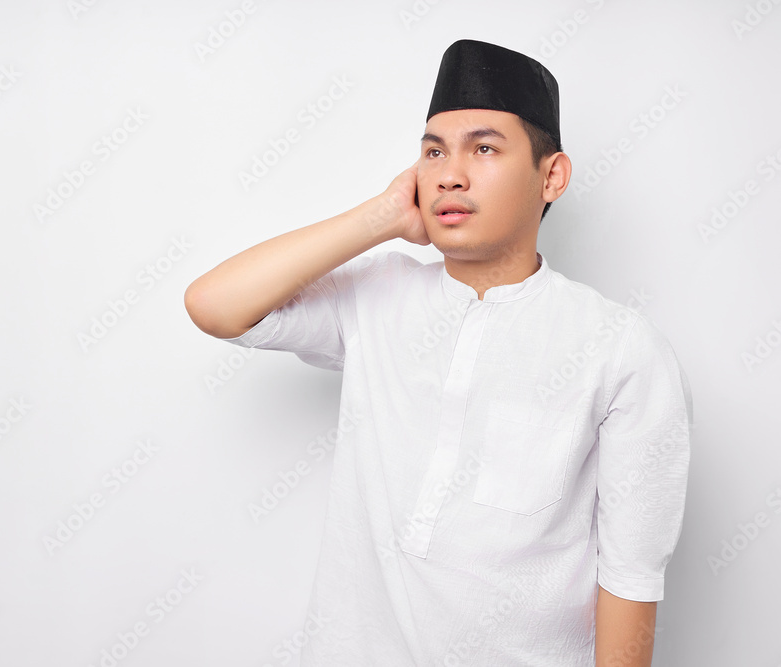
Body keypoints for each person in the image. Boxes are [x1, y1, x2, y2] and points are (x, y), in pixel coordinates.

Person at [184, 39, 692, 666]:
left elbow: (632, 577)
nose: (450, 173)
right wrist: (382, 216)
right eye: (433, 151)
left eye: (484, 148)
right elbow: (215, 305)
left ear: (551, 175)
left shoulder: (619, 350)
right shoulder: (377, 297)